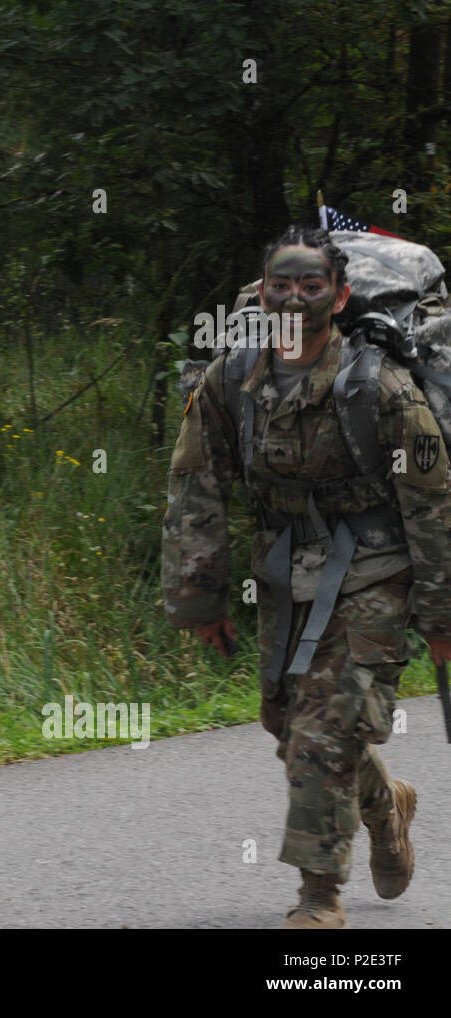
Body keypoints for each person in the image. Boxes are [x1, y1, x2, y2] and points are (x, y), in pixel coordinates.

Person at [162, 226, 451, 928]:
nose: (295, 297)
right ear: (263, 293)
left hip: (377, 569)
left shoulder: (376, 386)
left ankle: (317, 898)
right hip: (287, 571)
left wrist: (442, 620)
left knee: (324, 734)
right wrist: (198, 594)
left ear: (340, 295)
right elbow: (195, 482)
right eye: (282, 285)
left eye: (312, 285)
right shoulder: (232, 380)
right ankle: (387, 806)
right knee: (291, 726)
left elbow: (432, 499)